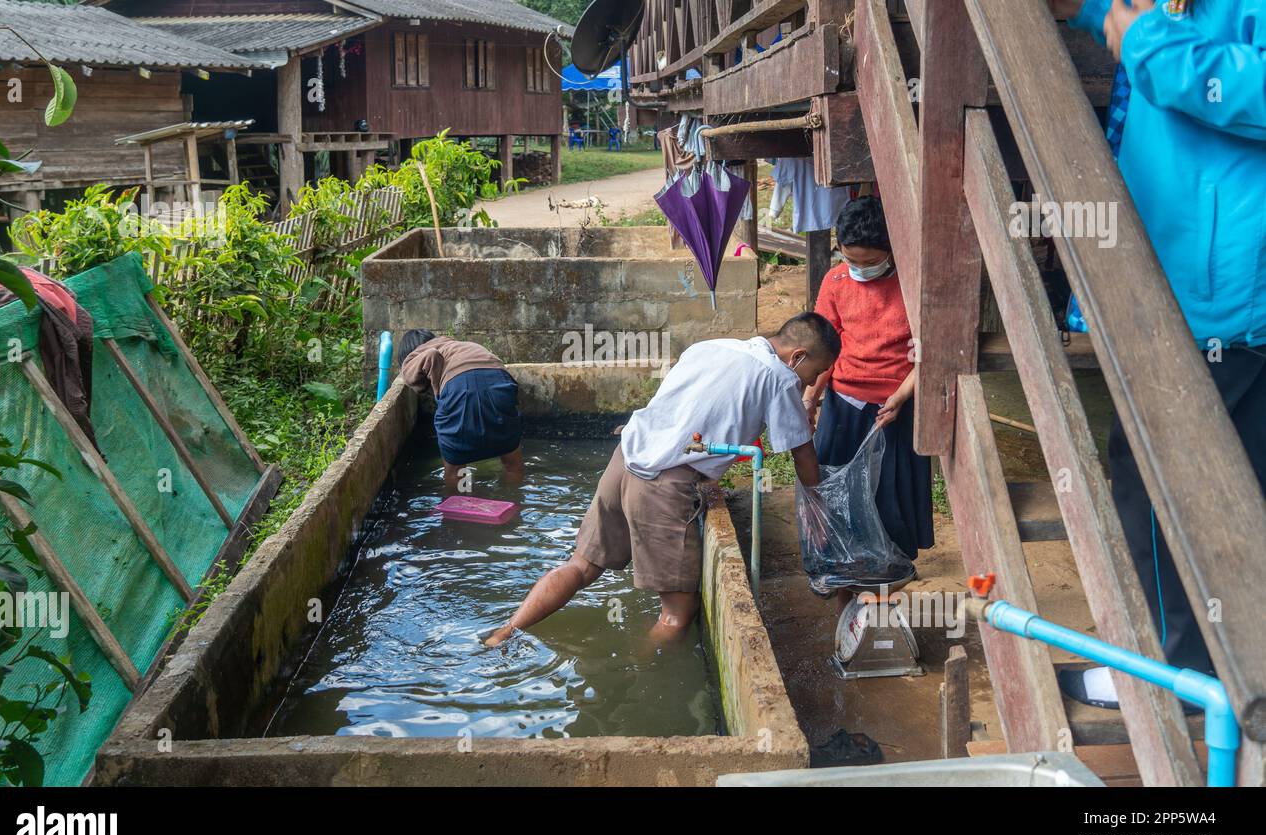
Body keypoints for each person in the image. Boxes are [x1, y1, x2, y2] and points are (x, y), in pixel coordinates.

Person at [1036, 0, 1266, 707]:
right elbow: (1157, 11)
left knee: (1160, 488)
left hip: (1219, 289)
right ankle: (1202, 670)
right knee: (1203, 485)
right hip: (1188, 274)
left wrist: (1153, 49)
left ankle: (1183, 680)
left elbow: (1189, 51)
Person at [483, 313, 841, 648]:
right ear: (797, 355)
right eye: (816, 371)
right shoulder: (778, 378)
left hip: (625, 458)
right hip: (662, 484)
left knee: (580, 566)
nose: (811, 383)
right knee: (677, 616)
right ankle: (633, 687)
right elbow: (803, 454)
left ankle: (505, 632)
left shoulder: (710, 346)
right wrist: (818, 513)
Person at [804, 195, 933, 596]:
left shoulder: (914, 281)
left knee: (889, 490)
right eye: (850, 259)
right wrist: (811, 398)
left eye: (868, 261)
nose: (858, 269)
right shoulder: (836, 282)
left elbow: (930, 350)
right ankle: (836, 562)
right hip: (844, 402)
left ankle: (888, 566)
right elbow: (826, 345)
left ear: (892, 249)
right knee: (833, 483)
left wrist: (900, 397)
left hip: (897, 402)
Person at [396, 330, 525, 484]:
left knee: (455, 470)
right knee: (513, 463)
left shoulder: (417, 354)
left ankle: (457, 503)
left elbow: (431, 355)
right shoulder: (458, 345)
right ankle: (515, 500)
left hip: (460, 387)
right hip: (499, 382)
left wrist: (420, 385)